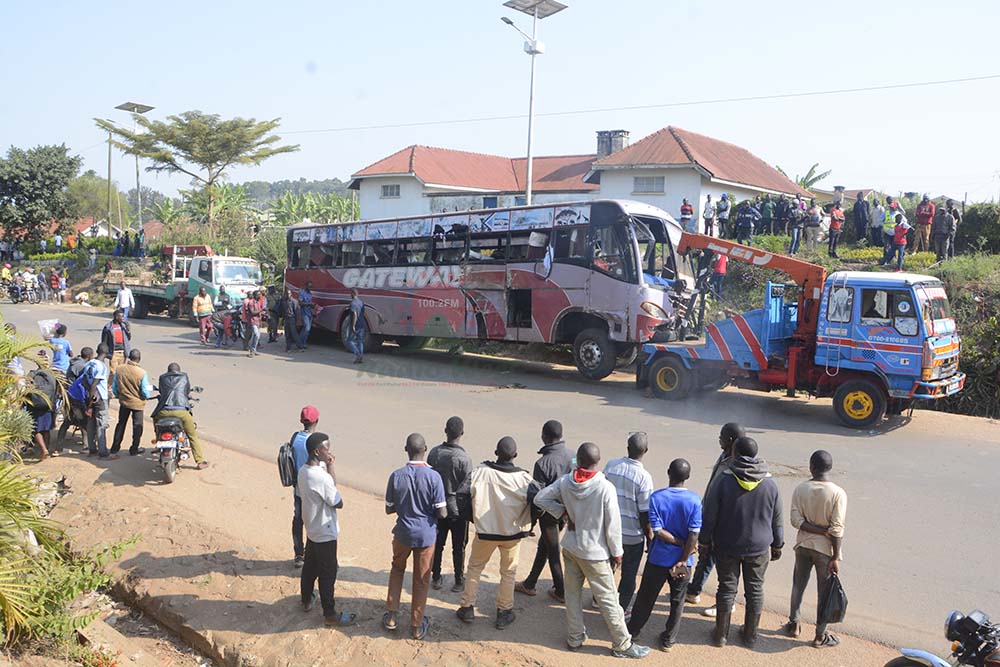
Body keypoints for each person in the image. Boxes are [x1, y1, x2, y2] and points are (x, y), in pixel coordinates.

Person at [534, 443, 650, 659]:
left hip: (571, 547)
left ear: (578, 460)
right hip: (595, 553)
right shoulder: (605, 487)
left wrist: (563, 513)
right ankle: (622, 644)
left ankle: (575, 638)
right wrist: (617, 553)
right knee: (609, 601)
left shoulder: (566, 481)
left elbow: (540, 498)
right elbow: (613, 525)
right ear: (598, 462)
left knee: (573, 595)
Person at [699, 436, 783, 649]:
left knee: (727, 589)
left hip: (727, 545)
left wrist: (704, 541)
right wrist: (778, 545)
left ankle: (720, 635)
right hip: (759, 547)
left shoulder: (724, 480)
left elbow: (710, 516)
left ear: (734, 453)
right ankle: (750, 636)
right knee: (755, 590)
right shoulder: (770, 483)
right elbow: (777, 519)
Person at [455, 436, 534, 629]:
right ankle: (504, 612)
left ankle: (467, 607)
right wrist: (528, 522)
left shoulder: (480, 473)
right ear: (515, 455)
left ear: (496, 453)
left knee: (474, 568)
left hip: (486, 533)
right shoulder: (524, 479)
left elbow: (461, 495)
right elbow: (539, 501)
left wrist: (474, 518)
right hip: (513, 535)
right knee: (508, 573)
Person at [627, 458, 702, 652]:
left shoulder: (657, 497)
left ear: (669, 472)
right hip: (684, 562)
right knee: (677, 602)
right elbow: (694, 533)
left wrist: (678, 542)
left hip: (659, 558)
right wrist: (684, 556)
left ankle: (633, 631)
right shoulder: (694, 500)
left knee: (645, 598)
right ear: (688, 477)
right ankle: (668, 640)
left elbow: (658, 531)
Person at [383, 433, 447, 641]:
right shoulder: (434, 477)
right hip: (426, 535)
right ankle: (416, 626)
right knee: (421, 579)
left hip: (402, 533)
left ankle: (392, 616)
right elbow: (442, 513)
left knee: (397, 569)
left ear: (406, 449)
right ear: (425, 449)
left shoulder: (396, 476)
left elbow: (389, 509)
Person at [782, 450, 847, 649]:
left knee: (798, 586)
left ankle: (794, 624)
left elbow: (796, 521)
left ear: (811, 467)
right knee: (824, 593)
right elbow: (837, 529)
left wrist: (815, 529)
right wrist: (835, 556)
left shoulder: (801, 489)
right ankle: (820, 635)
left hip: (803, 546)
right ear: (830, 468)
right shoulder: (838, 493)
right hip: (825, 551)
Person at [685, 422, 745, 617]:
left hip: (724, 521)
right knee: (706, 554)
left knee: (725, 566)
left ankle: (729, 602)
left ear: (729, 441)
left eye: (721, 436)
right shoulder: (725, 456)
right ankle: (694, 591)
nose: (718, 439)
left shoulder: (740, 465)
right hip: (711, 514)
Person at [298, 432, 358, 627]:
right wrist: (331, 469)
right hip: (325, 531)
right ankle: (330, 613)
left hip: (312, 528)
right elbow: (337, 501)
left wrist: (329, 465)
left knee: (310, 567)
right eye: (327, 448)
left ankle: (306, 600)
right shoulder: (321, 478)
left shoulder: (303, 471)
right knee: (328, 573)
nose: (329, 452)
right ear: (317, 451)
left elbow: (329, 488)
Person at [516, 420, 574, 603]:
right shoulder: (573, 456)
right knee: (546, 546)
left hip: (550, 515)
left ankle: (561, 590)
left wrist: (531, 522)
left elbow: (537, 497)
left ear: (544, 437)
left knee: (553, 551)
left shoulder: (542, 463)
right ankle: (530, 583)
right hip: (567, 512)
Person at [603, 432, 654, 612]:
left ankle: (598, 599)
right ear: (646, 451)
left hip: (610, 532)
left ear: (627, 448)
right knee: (629, 575)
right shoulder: (644, 477)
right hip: (633, 536)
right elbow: (644, 513)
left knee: (607, 569)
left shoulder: (611, 466)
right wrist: (649, 537)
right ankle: (621, 609)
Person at [428, 416, 474, 593]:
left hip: (438, 507)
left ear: (445, 431)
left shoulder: (434, 453)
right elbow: (468, 488)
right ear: (462, 433)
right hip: (457, 510)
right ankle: (458, 580)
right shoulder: (464, 459)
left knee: (438, 544)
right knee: (459, 547)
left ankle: (436, 577)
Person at [151, 362, 209, 470]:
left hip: (163, 410)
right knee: (192, 435)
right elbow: (186, 391)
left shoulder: (162, 378)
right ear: (179, 370)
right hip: (181, 411)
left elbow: (162, 392)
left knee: (156, 422)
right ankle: (200, 461)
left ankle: (158, 439)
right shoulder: (184, 377)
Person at [290, 406, 321, 566]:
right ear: (317, 421)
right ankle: (312, 555)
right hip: (314, 489)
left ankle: (299, 554)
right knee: (314, 521)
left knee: (298, 520)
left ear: (301, 421)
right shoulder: (318, 442)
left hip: (298, 488)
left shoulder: (295, 438)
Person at [110, 349, 154, 456]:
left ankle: (115, 448)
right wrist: (147, 397)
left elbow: (115, 386)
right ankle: (134, 448)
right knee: (137, 426)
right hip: (137, 404)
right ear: (139, 359)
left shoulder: (120, 369)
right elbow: (144, 390)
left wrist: (118, 395)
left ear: (129, 357)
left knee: (121, 424)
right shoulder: (141, 373)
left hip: (124, 402)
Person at [82, 343, 116, 460]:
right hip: (100, 398)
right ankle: (103, 452)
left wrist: (90, 401)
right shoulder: (101, 366)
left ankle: (92, 449)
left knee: (91, 424)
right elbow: (94, 384)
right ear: (106, 354)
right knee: (101, 424)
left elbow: (84, 382)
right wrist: (94, 395)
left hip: (91, 397)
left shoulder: (88, 364)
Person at [56, 348, 92, 451]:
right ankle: (86, 446)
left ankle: (58, 447)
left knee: (68, 421)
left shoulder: (75, 362)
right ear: (89, 356)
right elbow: (83, 386)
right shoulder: (81, 366)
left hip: (70, 395)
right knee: (83, 421)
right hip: (75, 397)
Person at [27, 367, 59, 460]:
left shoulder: (32, 374)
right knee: (46, 429)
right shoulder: (52, 375)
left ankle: (44, 449)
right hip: (48, 406)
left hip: (35, 406)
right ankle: (46, 450)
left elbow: (26, 390)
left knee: (36, 430)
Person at [101, 309, 131, 377]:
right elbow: (104, 341)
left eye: (123, 316)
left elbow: (128, 338)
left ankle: (118, 387)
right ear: (116, 317)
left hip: (123, 352)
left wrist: (128, 329)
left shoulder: (123, 326)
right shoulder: (108, 327)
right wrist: (104, 353)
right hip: (114, 352)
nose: (123, 318)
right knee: (113, 372)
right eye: (121, 316)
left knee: (121, 372)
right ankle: (110, 387)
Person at [242, 290, 265, 357]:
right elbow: (252, 312)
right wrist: (261, 310)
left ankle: (254, 350)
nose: (260, 296)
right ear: (255, 295)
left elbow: (258, 311)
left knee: (257, 336)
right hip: (252, 321)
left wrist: (263, 314)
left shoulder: (258, 302)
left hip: (258, 321)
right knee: (256, 334)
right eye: (259, 294)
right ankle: (252, 350)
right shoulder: (251, 303)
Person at [345, 289, 365, 364]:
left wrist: (353, 325)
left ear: (353, 294)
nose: (350, 295)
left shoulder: (353, 303)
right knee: (360, 341)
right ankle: (361, 357)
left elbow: (355, 315)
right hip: (362, 324)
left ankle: (358, 354)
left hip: (355, 324)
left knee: (349, 341)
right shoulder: (361, 302)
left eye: (350, 293)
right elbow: (362, 312)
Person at [283, 288, 305, 353]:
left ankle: (300, 347)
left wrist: (298, 321)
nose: (288, 295)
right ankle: (288, 348)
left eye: (289, 293)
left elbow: (297, 312)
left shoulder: (294, 301)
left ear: (291, 294)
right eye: (286, 294)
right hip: (286, 319)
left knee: (294, 334)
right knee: (287, 334)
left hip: (292, 319)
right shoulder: (284, 301)